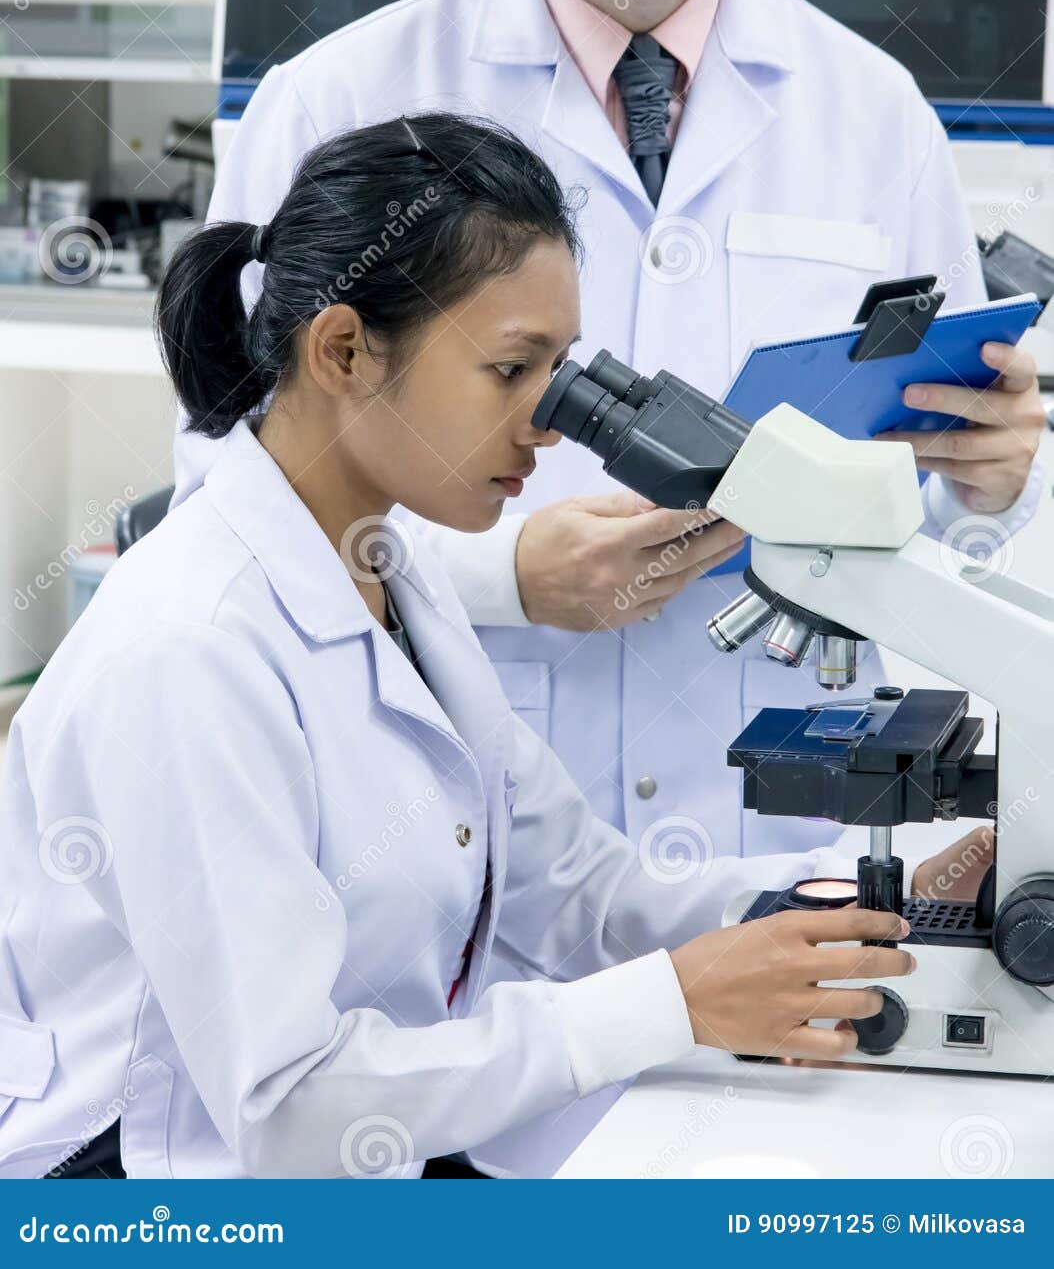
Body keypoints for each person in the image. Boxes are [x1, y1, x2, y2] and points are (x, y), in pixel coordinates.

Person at [173, 0, 1045, 865]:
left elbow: (931, 508)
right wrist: (500, 576)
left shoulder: (874, 116)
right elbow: (223, 493)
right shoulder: (343, 101)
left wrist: (996, 483)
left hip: (774, 831)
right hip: (441, 821)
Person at [0, 115, 978, 1180]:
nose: (550, 424)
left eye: (562, 372)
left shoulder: (388, 573)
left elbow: (571, 887)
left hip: (380, 1159)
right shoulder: (187, 652)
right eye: (512, 370)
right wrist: (672, 1004)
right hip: (150, 1194)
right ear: (341, 350)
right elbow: (284, 1109)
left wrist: (836, 908)